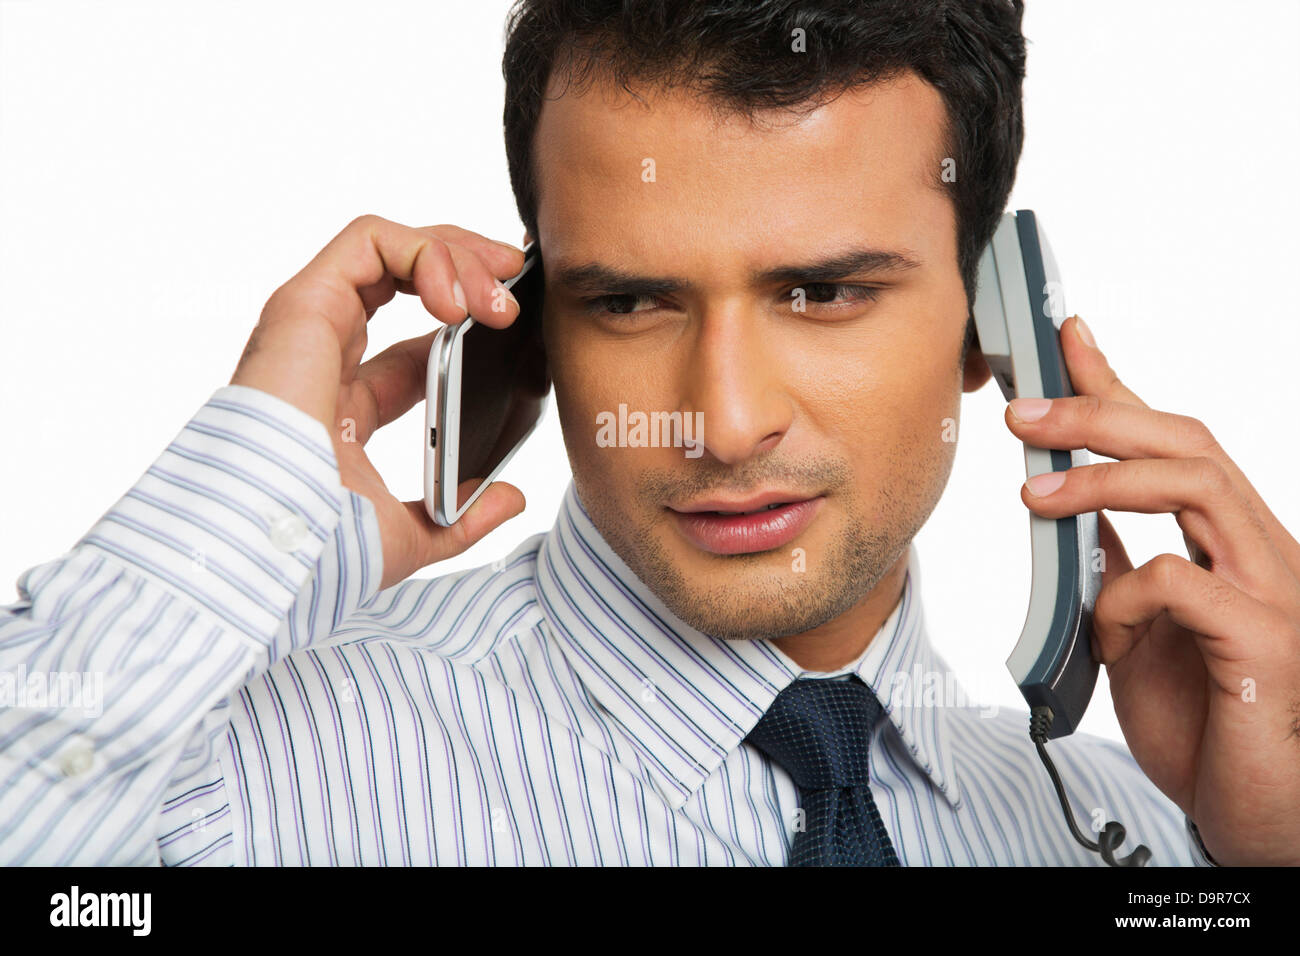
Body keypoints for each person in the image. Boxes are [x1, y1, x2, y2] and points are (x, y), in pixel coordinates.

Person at [3, 0, 1298, 867]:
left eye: (823, 292)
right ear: (536, 325)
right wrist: (246, 503)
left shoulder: (1154, 832)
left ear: (993, 327)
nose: (723, 424)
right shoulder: (233, 789)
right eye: (627, 301)